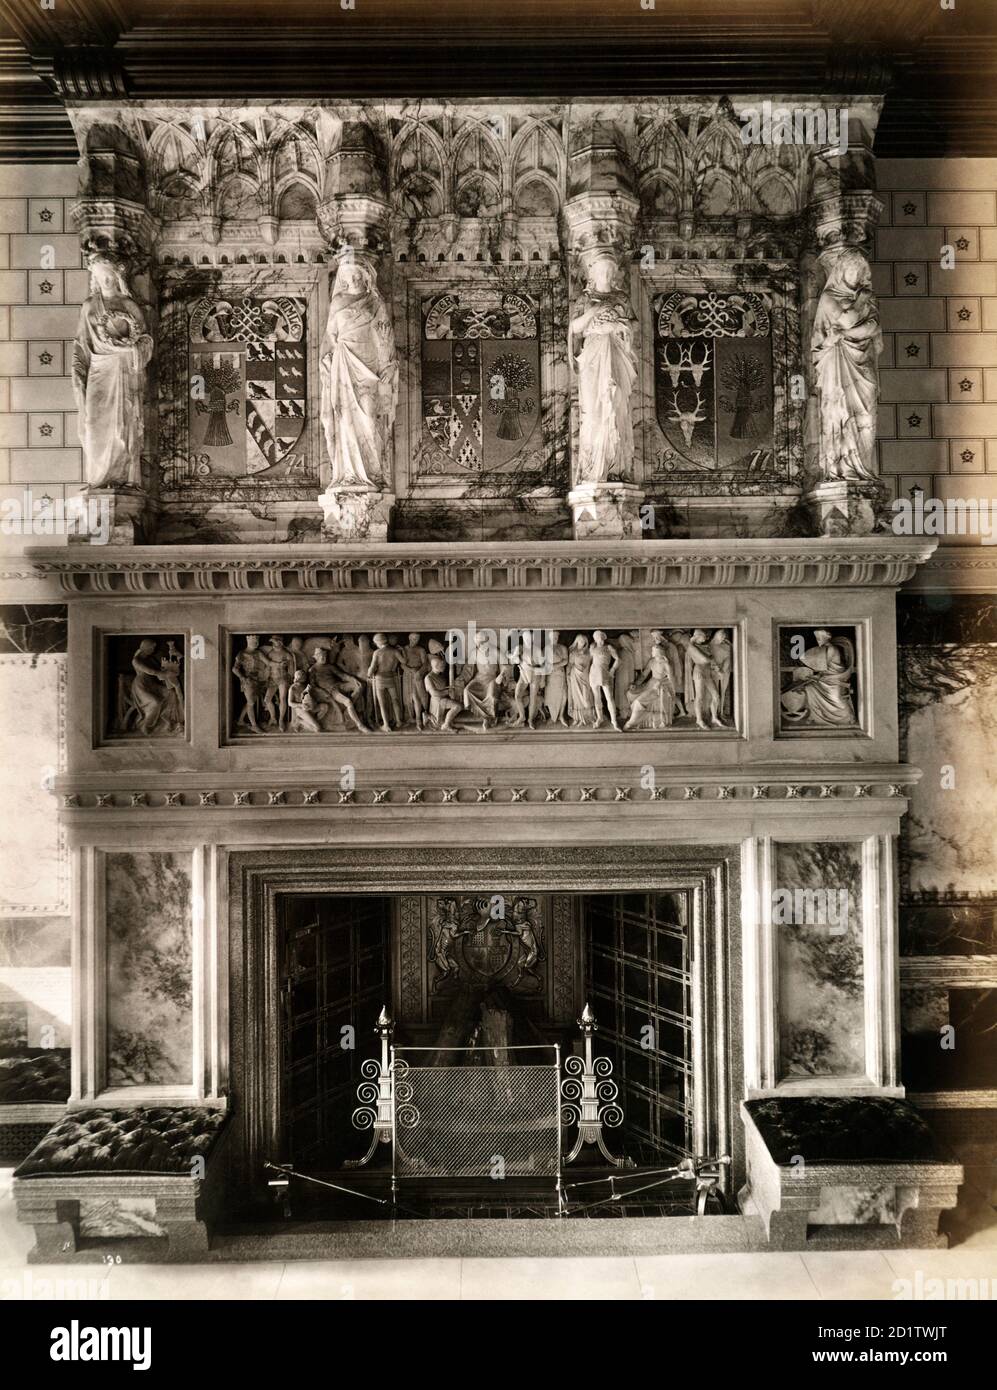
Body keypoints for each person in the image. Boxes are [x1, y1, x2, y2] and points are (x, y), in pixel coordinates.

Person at [72, 253, 153, 490]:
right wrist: (78, 378)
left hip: (124, 372)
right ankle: (99, 480)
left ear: (117, 276)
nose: (106, 280)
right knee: (94, 425)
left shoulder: (129, 306)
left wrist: (131, 350)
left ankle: (123, 479)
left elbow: (145, 341)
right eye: (101, 276)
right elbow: (81, 345)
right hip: (98, 373)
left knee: (123, 428)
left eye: (109, 275)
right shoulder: (89, 307)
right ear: (95, 278)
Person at [319, 258, 398, 488]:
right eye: (348, 276)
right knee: (345, 420)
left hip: (369, 369)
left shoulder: (375, 304)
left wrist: (388, 366)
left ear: (366, 278)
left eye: (357, 276)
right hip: (343, 365)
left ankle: (373, 475)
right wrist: (326, 361)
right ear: (342, 278)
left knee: (369, 418)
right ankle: (347, 476)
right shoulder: (337, 303)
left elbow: (385, 339)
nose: (352, 280)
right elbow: (329, 338)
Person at [569, 255, 638, 484]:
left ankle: (616, 465)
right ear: (593, 274)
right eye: (601, 271)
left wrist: (618, 324)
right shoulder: (586, 298)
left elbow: (634, 325)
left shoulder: (622, 298)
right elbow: (575, 328)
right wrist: (595, 311)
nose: (606, 276)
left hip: (617, 351)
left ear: (614, 274)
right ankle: (593, 469)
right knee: (594, 408)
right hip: (593, 355)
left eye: (610, 272)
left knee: (617, 404)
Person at [781, 629, 857, 727]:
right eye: (817, 639)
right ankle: (814, 716)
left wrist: (802, 655)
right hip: (826, 678)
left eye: (820, 638)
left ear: (825, 638)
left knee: (836, 698)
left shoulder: (831, 649)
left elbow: (814, 661)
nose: (818, 641)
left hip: (835, 679)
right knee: (810, 688)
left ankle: (849, 716)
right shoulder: (826, 648)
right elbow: (821, 666)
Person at [309, 645, 369, 732]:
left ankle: (349, 708)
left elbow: (342, 675)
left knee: (359, 686)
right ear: (316, 657)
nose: (324, 657)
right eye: (321, 656)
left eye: (325, 655)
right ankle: (359, 725)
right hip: (331, 691)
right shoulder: (313, 670)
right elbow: (313, 686)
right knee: (347, 701)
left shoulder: (330, 666)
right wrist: (322, 692)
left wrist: (354, 680)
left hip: (339, 685)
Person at [624, 641, 676, 730]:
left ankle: (631, 723)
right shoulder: (652, 661)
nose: (651, 652)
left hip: (659, 688)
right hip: (650, 684)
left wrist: (661, 683)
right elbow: (644, 675)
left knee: (638, 702)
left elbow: (671, 680)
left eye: (653, 651)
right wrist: (635, 684)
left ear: (658, 652)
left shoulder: (666, 664)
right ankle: (640, 718)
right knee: (630, 693)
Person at [685, 629, 724, 730]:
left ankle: (714, 717)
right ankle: (699, 719)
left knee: (716, 695)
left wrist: (717, 669)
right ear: (698, 636)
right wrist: (711, 661)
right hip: (699, 673)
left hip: (707, 673)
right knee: (700, 697)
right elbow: (705, 659)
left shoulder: (704, 646)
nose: (705, 638)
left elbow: (711, 660)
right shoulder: (691, 647)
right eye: (703, 636)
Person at [232, 634, 270, 733]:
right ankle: (254, 725)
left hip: (257, 681)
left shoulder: (258, 653)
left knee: (250, 701)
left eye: (257, 640)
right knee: (251, 702)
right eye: (254, 640)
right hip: (247, 681)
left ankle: (240, 720)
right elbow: (235, 669)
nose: (256, 642)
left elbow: (268, 663)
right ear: (248, 640)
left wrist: (275, 665)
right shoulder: (241, 654)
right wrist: (242, 677)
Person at [367, 633, 404, 732]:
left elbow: (372, 667)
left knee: (382, 703)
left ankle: (386, 725)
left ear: (378, 642)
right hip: (391, 678)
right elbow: (404, 661)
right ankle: (399, 721)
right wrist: (402, 651)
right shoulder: (395, 651)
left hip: (380, 679)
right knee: (395, 700)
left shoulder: (377, 652)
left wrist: (368, 675)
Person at [588, 630, 621, 731]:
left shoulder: (608, 647)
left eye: (601, 636)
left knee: (609, 698)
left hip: (604, 674)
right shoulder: (593, 647)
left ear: (604, 637)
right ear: (595, 638)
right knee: (597, 698)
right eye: (598, 637)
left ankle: (614, 721)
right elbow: (589, 660)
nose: (600, 639)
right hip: (593, 674)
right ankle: (599, 718)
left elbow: (618, 659)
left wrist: (612, 670)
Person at [424, 653, 461, 732]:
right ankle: (428, 717)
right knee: (437, 723)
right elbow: (434, 693)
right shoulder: (428, 678)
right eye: (442, 666)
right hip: (437, 701)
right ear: (436, 666)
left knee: (458, 706)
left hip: (443, 700)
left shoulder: (440, 676)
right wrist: (447, 691)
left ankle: (446, 724)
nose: (444, 667)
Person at [401, 633, 430, 729]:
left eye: (417, 639)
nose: (415, 640)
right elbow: (402, 664)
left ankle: (418, 720)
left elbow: (425, 664)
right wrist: (409, 670)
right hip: (407, 675)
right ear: (409, 638)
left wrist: (419, 672)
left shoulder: (421, 650)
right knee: (407, 698)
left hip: (417, 675)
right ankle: (410, 717)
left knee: (416, 698)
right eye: (413, 638)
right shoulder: (404, 649)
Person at [567, 634, 594, 727]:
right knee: (576, 697)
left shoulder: (589, 652)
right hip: (575, 676)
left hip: (586, 676)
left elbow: (592, 665)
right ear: (577, 641)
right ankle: (577, 718)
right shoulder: (572, 653)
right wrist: (568, 675)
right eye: (581, 641)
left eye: (584, 641)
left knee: (586, 696)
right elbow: (570, 665)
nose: (582, 643)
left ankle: (586, 718)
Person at [543, 630, 569, 727]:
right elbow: (543, 663)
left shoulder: (563, 648)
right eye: (553, 637)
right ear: (549, 638)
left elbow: (566, 660)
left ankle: (561, 715)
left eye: (556, 637)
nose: (555, 639)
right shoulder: (546, 648)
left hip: (560, 674)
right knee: (551, 696)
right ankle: (553, 716)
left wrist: (555, 665)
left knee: (563, 696)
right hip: (550, 675)